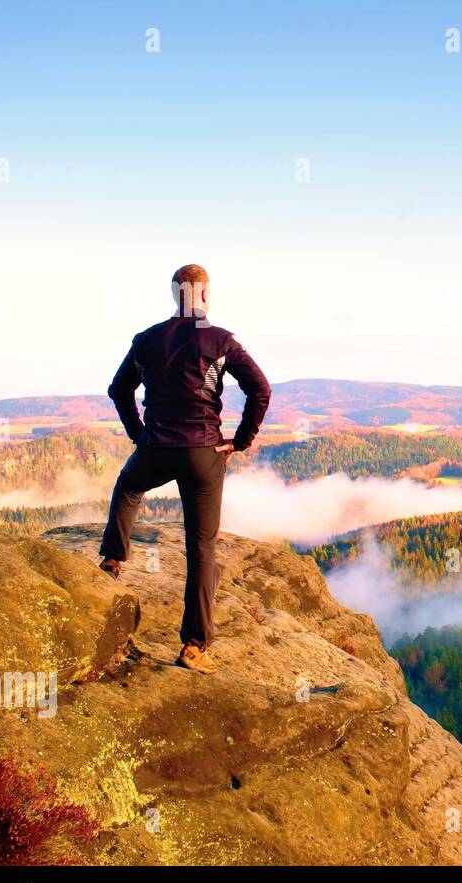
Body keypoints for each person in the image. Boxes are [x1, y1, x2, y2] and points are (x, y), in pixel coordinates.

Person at [98, 264, 271, 674]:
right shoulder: (221, 341)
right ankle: (194, 646)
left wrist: (138, 432)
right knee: (202, 547)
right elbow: (260, 389)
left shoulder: (147, 340)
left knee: (128, 487)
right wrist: (240, 441)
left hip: (156, 446)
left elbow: (118, 389)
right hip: (204, 453)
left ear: (175, 294)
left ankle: (112, 561)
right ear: (205, 295)